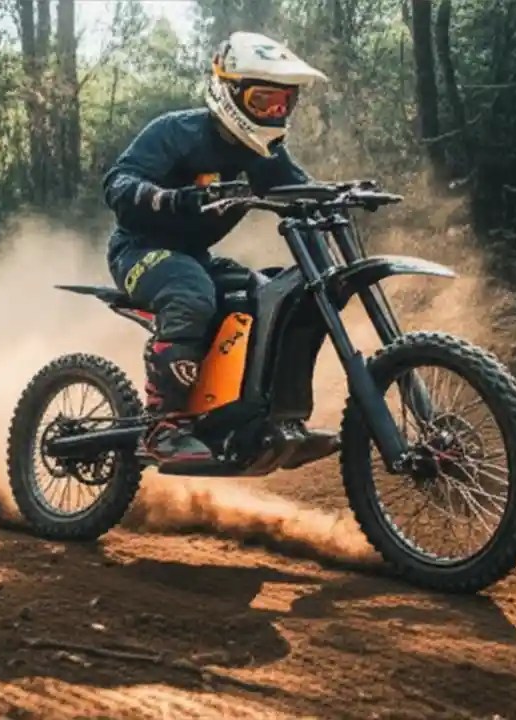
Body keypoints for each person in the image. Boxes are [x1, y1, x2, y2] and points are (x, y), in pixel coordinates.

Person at [101, 31, 328, 464]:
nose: (275, 112)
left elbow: (301, 190)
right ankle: (163, 426)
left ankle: (252, 417)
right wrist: (169, 199)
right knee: (192, 294)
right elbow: (117, 183)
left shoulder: (262, 153)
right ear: (230, 92)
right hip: (138, 251)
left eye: (284, 103)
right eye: (264, 101)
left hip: (194, 258)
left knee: (269, 295)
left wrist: (346, 195)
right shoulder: (176, 132)